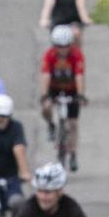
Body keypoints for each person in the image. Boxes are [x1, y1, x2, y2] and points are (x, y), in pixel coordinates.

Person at [40, 25, 86, 169]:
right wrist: (45, 95)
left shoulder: (77, 55)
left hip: (72, 90)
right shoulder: (49, 55)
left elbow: (79, 76)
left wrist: (80, 95)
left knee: (73, 124)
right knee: (46, 107)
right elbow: (46, 75)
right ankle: (51, 124)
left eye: (66, 46)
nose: (62, 50)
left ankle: (73, 153)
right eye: (59, 46)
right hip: (54, 88)